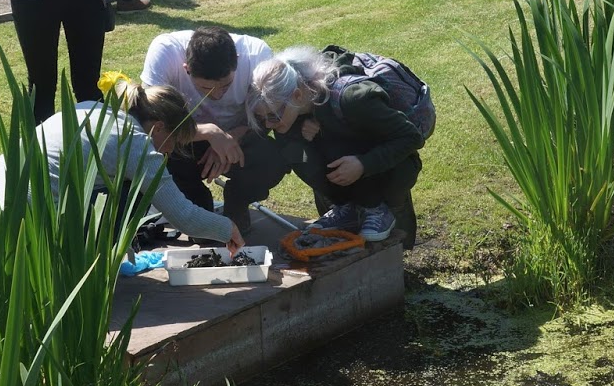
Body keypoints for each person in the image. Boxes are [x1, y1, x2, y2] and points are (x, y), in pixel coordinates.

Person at [33, 82, 245, 252]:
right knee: (136, 193)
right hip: (41, 215)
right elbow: (183, 217)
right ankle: (88, 262)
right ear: (158, 127)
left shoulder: (96, 108)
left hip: (16, 196)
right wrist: (229, 229)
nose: (169, 151)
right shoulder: (135, 144)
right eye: (174, 142)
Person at [247, 47, 423, 246]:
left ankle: (376, 209)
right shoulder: (301, 104)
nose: (269, 125)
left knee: (330, 143)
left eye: (273, 116)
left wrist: (363, 164)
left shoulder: (354, 99)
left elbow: (411, 137)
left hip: (395, 167)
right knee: (290, 144)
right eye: (261, 118)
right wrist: (303, 127)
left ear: (297, 95)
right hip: (353, 164)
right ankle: (346, 207)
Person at [140, 26, 288, 234]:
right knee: (203, 232)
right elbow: (150, 120)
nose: (217, 95)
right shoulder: (165, 50)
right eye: (205, 88)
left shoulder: (257, 55)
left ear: (237, 61)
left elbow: (265, 118)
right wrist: (209, 133)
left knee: (272, 160)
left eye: (226, 86)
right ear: (186, 68)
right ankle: (195, 205)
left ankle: (237, 201)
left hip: (239, 138)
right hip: (183, 141)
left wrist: (231, 137)